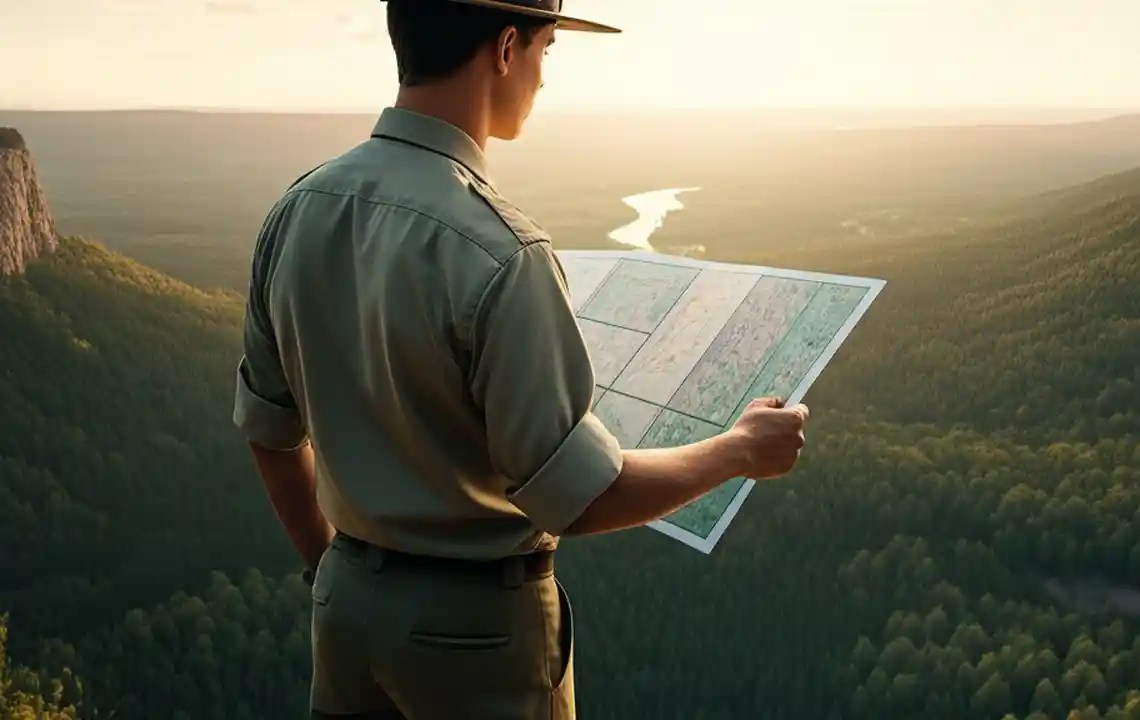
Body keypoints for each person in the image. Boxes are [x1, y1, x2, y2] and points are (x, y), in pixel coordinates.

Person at [231, 0, 810, 717]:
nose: (542, 79)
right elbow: (581, 496)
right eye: (545, 51)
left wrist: (331, 568)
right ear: (506, 48)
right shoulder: (504, 254)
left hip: (344, 613)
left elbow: (269, 432)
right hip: (477, 640)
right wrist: (738, 452)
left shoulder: (296, 211)